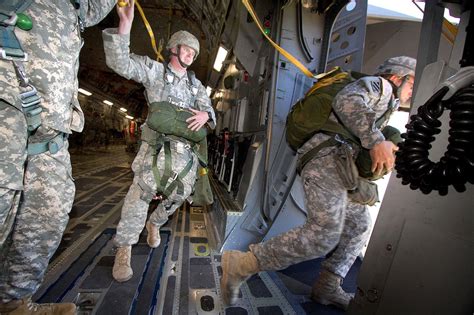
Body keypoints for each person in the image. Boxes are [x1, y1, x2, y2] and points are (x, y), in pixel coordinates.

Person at [220, 56, 416, 310]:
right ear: (398, 77)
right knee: (324, 233)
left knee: (358, 225)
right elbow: (346, 100)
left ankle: (327, 287)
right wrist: (376, 140)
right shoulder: (382, 86)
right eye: (412, 83)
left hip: (341, 164)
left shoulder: (387, 101)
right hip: (328, 158)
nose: (412, 91)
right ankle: (241, 265)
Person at [0, 2, 116, 314]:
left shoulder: (75, 6)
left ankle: (13, 304)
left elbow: (93, 9)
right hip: (7, 108)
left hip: (52, 129)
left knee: (45, 217)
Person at [102, 0, 215, 282]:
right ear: (174, 50)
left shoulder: (196, 86)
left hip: (183, 156)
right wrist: (124, 30)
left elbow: (210, 112)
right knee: (139, 194)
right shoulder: (155, 72)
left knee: (180, 195)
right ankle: (124, 249)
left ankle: (155, 223)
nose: (189, 55)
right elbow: (120, 63)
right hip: (155, 149)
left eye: (193, 52)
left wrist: (205, 115)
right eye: (186, 49)